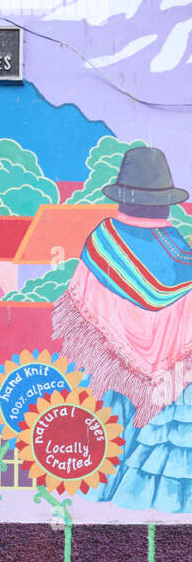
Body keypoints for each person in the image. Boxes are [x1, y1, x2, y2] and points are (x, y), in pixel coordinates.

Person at [52, 145, 192, 511]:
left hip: (114, 371)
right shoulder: (179, 251)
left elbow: (83, 304)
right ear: (165, 201)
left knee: (110, 429)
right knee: (167, 443)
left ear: (123, 197)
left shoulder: (103, 239)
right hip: (173, 382)